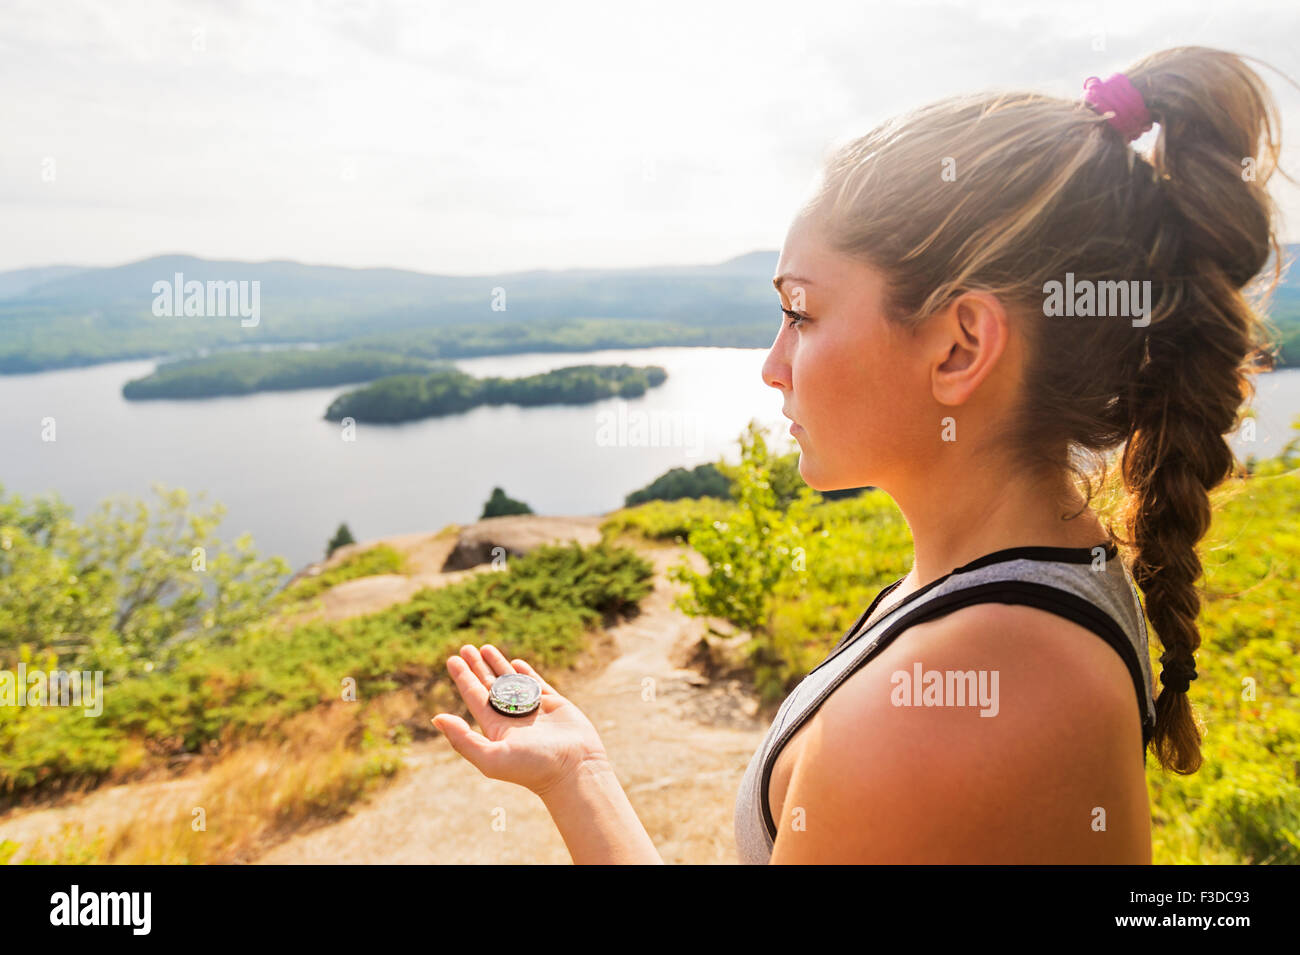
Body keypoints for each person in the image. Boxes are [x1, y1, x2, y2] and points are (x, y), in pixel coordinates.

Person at [431, 45, 1289, 864]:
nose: (773, 366)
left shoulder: (948, 704)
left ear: (959, 348)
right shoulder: (1023, 596)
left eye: (800, 312)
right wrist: (580, 777)